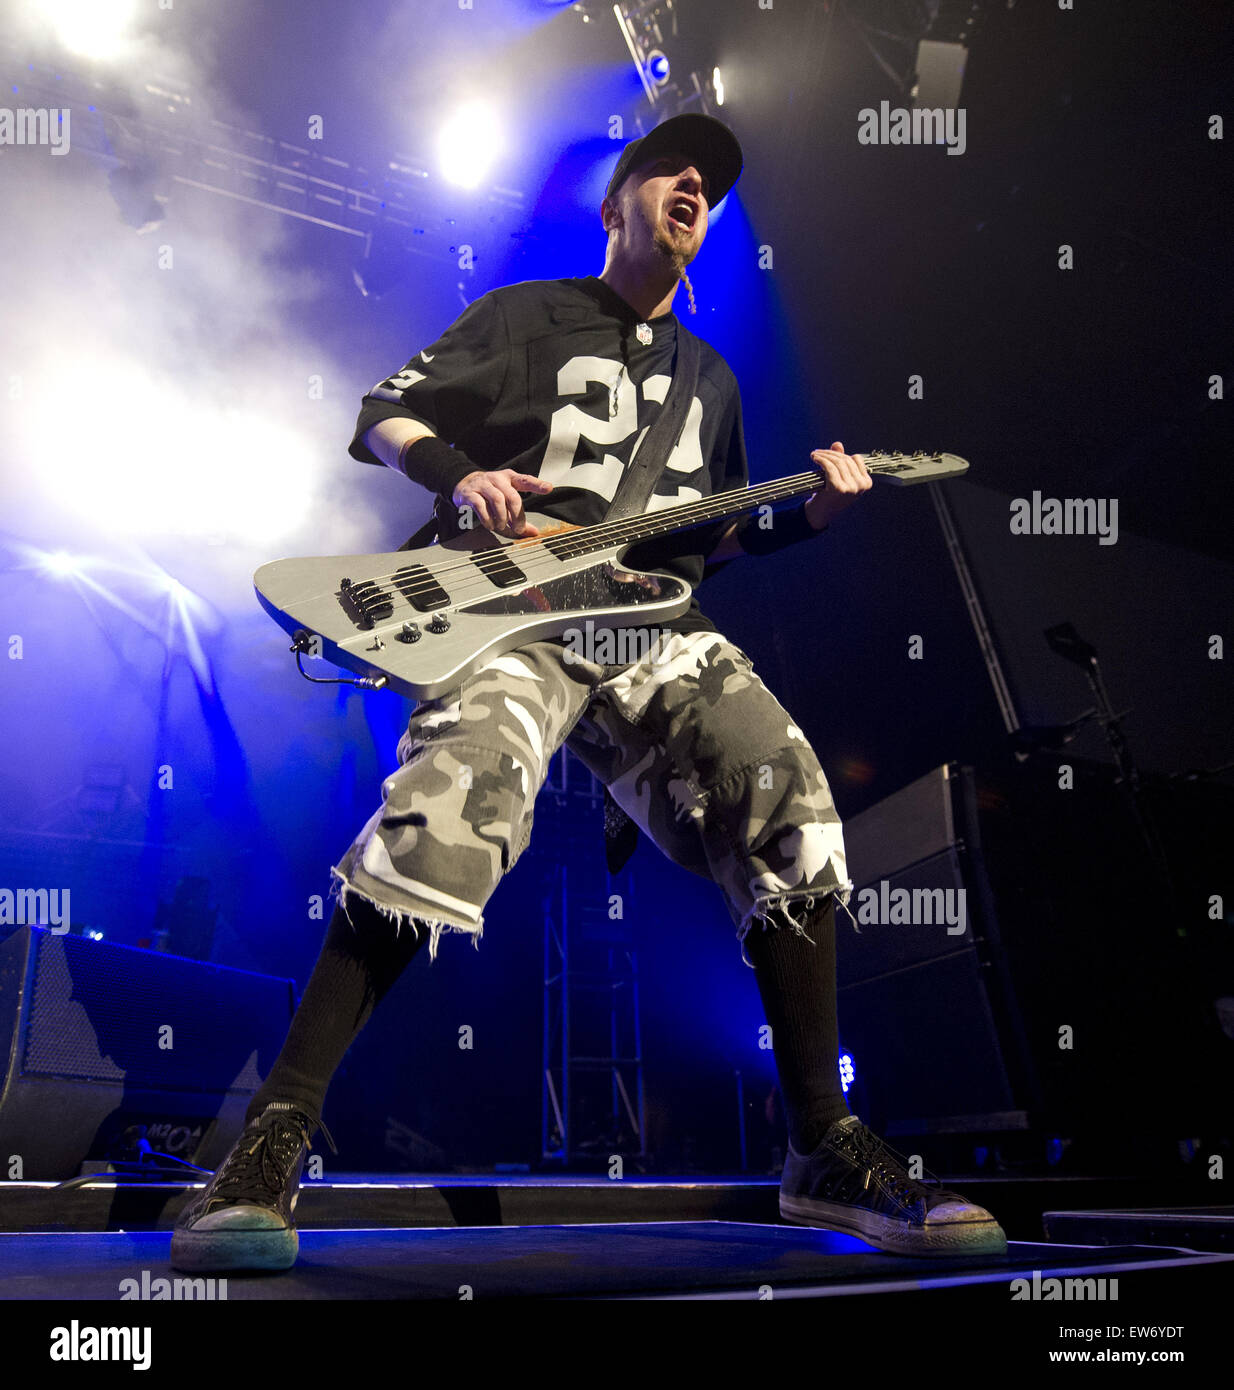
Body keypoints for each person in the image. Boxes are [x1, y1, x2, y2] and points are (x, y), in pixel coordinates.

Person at [171, 113, 1006, 1273]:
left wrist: (813, 513)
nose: (694, 190)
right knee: (451, 805)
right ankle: (274, 1133)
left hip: (651, 621)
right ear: (615, 204)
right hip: (508, 604)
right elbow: (383, 415)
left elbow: (711, 539)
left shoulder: (712, 379)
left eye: (710, 185)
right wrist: (463, 476)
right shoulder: (525, 313)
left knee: (790, 797)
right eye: (672, 172)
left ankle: (821, 1143)